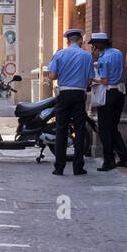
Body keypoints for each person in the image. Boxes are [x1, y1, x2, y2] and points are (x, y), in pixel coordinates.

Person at [47, 28, 91, 176]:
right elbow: (90, 79)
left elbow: (52, 76)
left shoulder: (59, 54)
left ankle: (59, 167)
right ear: (80, 41)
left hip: (64, 94)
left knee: (61, 129)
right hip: (79, 94)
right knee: (79, 130)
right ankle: (78, 167)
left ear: (67, 41)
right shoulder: (86, 56)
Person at [90, 33, 127, 171]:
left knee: (104, 129)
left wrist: (91, 78)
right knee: (113, 127)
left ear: (100, 44)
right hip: (119, 93)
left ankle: (109, 161)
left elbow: (104, 81)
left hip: (108, 94)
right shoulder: (117, 53)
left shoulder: (103, 59)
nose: (93, 47)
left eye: (94, 44)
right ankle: (124, 158)